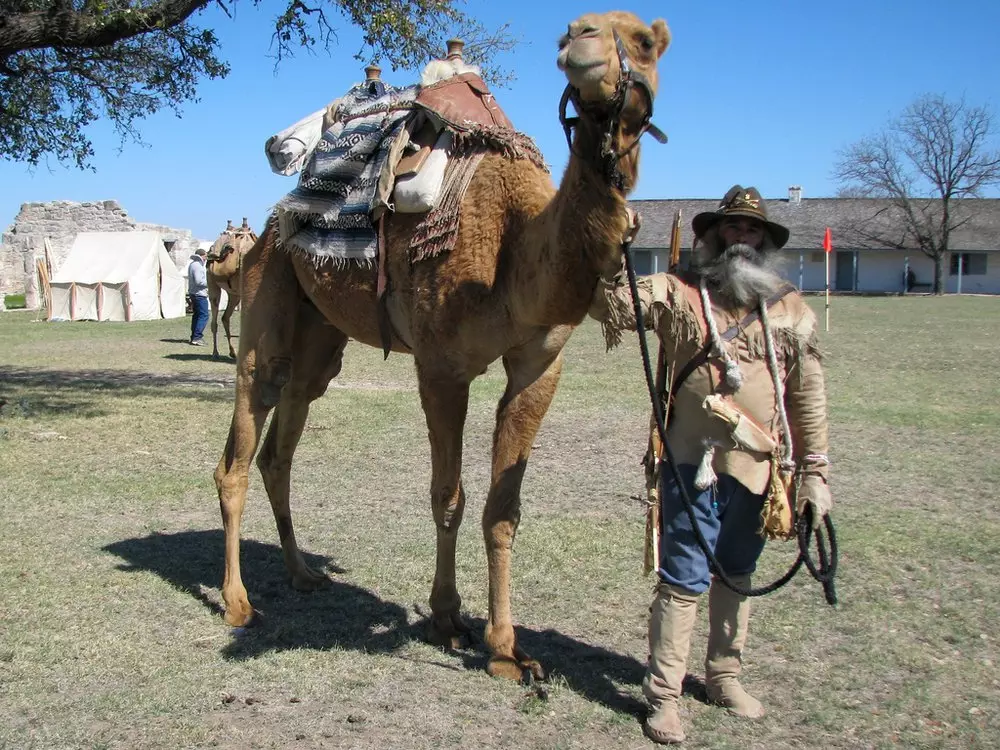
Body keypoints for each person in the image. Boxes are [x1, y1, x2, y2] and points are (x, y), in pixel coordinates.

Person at [589, 185, 833, 745]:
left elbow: (808, 398)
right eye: (732, 228)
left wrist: (815, 473)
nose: (741, 237)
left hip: (759, 473)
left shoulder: (790, 309)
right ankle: (665, 697)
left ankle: (724, 676)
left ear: (765, 241)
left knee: (737, 573)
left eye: (752, 230)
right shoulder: (677, 292)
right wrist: (610, 248)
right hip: (689, 464)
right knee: (683, 579)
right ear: (714, 235)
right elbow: (611, 303)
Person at [187, 248, 209, 345]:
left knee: (197, 315)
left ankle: (194, 336)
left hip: (194, 293)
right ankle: (197, 337)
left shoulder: (192, 265)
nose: (206, 259)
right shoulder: (198, 266)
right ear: (202, 256)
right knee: (204, 315)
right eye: (205, 256)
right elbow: (199, 281)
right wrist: (210, 283)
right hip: (199, 294)